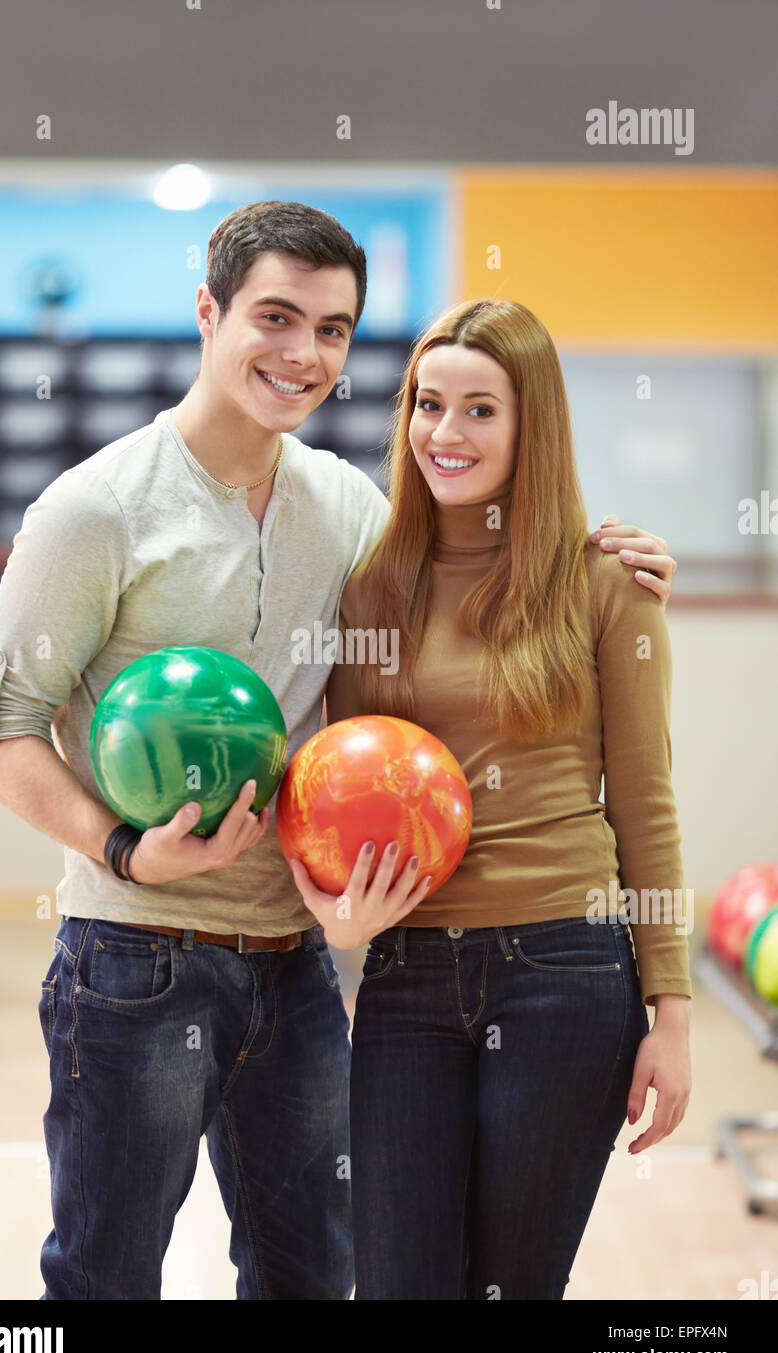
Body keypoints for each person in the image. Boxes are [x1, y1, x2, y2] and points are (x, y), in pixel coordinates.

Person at [0, 202, 679, 1300]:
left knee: (310, 1277)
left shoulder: (345, 510)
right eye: (275, 317)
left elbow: (476, 532)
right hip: (136, 958)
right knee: (106, 1277)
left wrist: (591, 546)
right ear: (208, 313)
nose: (302, 354)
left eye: (332, 330)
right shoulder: (93, 510)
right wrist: (122, 849)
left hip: (294, 961)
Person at [287, 298, 692, 1300]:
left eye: (478, 410)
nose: (443, 433)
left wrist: (670, 1014)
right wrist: (331, 914)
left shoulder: (606, 584)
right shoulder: (373, 586)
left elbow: (643, 802)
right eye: (428, 404)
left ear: (529, 427)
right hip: (407, 974)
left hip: (564, 972)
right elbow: (337, 784)